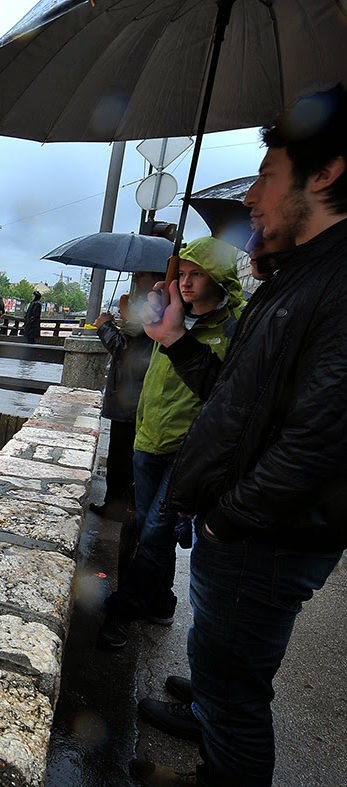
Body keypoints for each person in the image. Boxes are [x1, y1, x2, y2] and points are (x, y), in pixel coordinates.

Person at [130, 84, 347, 787]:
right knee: (221, 663)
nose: (251, 197)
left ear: (326, 173)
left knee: (236, 695)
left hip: (264, 536)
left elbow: (322, 441)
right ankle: (206, 713)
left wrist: (226, 519)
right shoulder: (300, 274)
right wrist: (175, 340)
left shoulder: (336, 283)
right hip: (254, 532)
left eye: (267, 176)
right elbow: (238, 397)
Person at [96, 238, 243, 651]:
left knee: (156, 531)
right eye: (183, 274)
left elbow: (226, 394)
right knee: (148, 526)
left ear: (219, 279)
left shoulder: (233, 329)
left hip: (187, 449)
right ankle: (161, 600)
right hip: (148, 438)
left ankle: (122, 612)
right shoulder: (166, 315)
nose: (188, 282)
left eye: (198, 274)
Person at [90, 270, 163, 527]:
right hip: (136, 395)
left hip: (131, 396)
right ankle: (124, 505)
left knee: (122, 456)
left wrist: (105, 325)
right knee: (125, 456)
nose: (135, 280)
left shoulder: (152, 309)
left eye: (140, 275)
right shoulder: (155, 306)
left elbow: (124, 350)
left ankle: (118, 507)